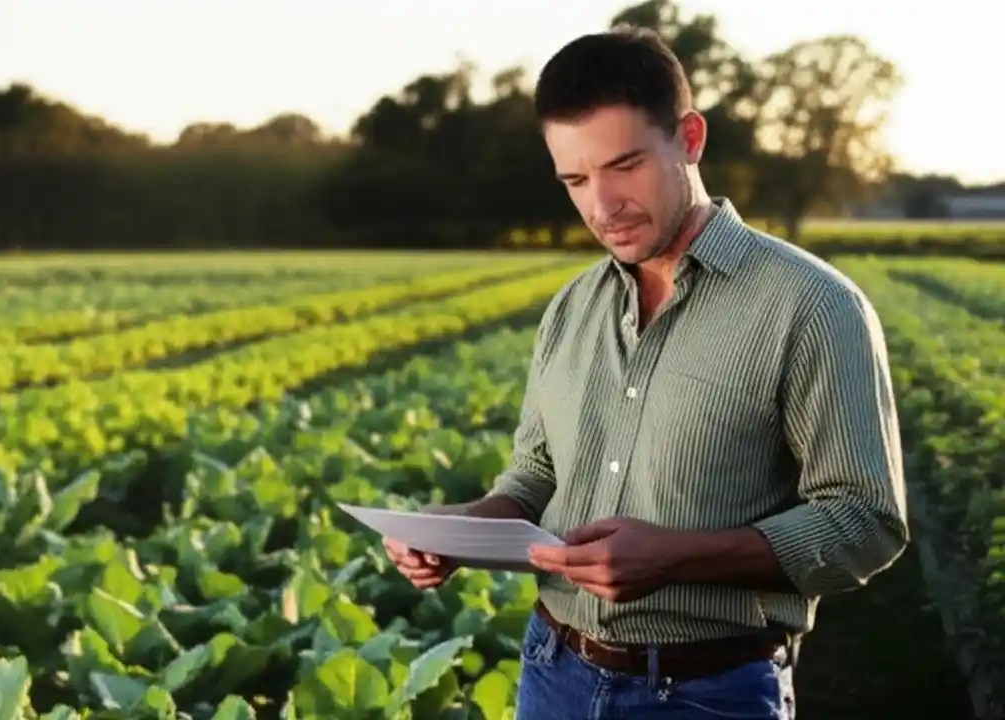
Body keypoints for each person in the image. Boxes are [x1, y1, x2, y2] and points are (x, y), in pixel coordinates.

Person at [381, 25, 909, 720]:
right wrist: (458, 529)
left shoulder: (812, 305)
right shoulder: (572, 308)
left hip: (708, 692)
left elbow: (864, 521)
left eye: (624, 166)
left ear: (689, 140)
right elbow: (535, 475)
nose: (602, 207)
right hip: (552, 671)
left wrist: (678, 558)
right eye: (575, 180)